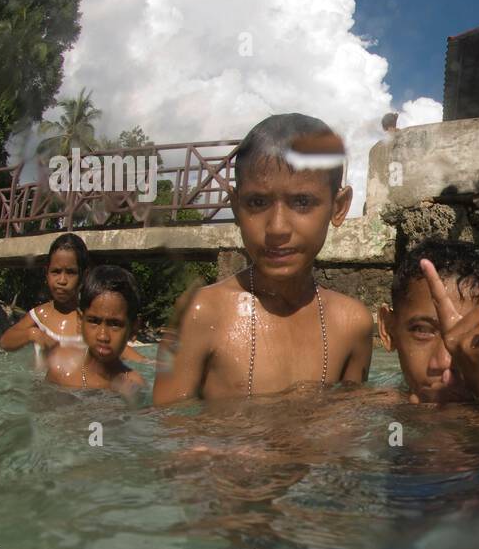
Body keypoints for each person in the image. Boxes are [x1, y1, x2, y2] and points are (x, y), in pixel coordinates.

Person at [152, 114, 374, 404]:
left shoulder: (352, 324)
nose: (277, 227)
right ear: (236, 208)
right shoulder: (200, 313)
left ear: (339, 207)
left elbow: (348, 433)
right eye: (257, 202)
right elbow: (167, 434)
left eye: (302, 202)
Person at [377, 238, 479, 404]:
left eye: (471, 336)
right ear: (389, 330)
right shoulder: (362, 414)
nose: (444, 362)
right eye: (422, 330)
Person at [0, 232, 148, 362]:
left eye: (70, 272)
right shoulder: (39, 316)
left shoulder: (89, 318)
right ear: (46, 272)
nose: (62, 281)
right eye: (55, 272)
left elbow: (119, 349)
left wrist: (148, 362)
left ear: (84, 274)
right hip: (43, 392)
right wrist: (32, 334)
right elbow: (5, 342)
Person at [44, 265, 146, 398]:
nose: (103, 336)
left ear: (133, 328)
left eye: (115, 324)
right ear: (80, 321)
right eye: (94, 321)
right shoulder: (61, 371)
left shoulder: (134, 385)